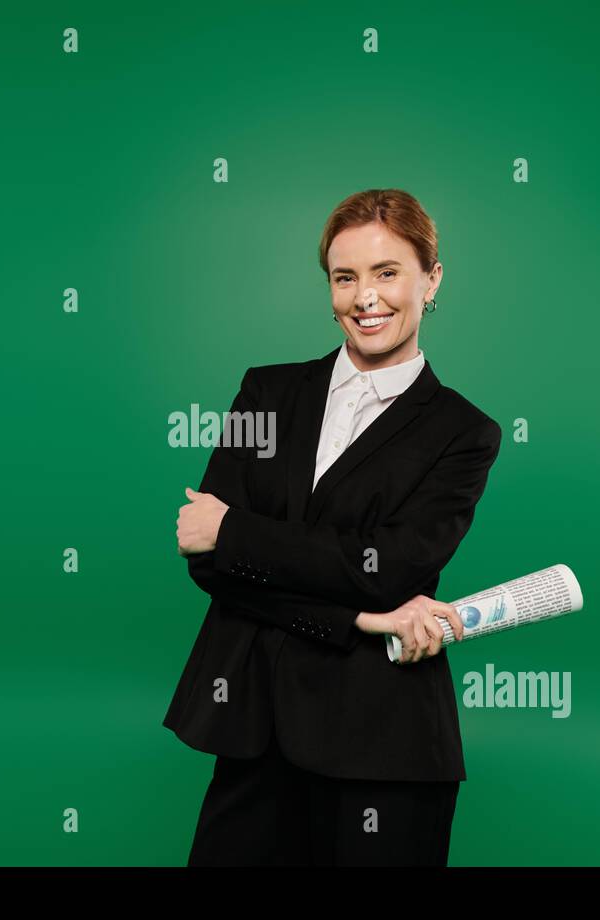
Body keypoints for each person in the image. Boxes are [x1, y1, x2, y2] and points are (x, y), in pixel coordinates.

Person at [163, 188, 503, 866]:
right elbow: (210, 566)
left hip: (385, 742)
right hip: (254, 730)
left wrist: (234, 529)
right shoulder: (267, 393)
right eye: (345, 277)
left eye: (387, 273)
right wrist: (357, 621)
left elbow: (390, 569)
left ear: (431, 279)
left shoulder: (464, 434)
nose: (365, 297)